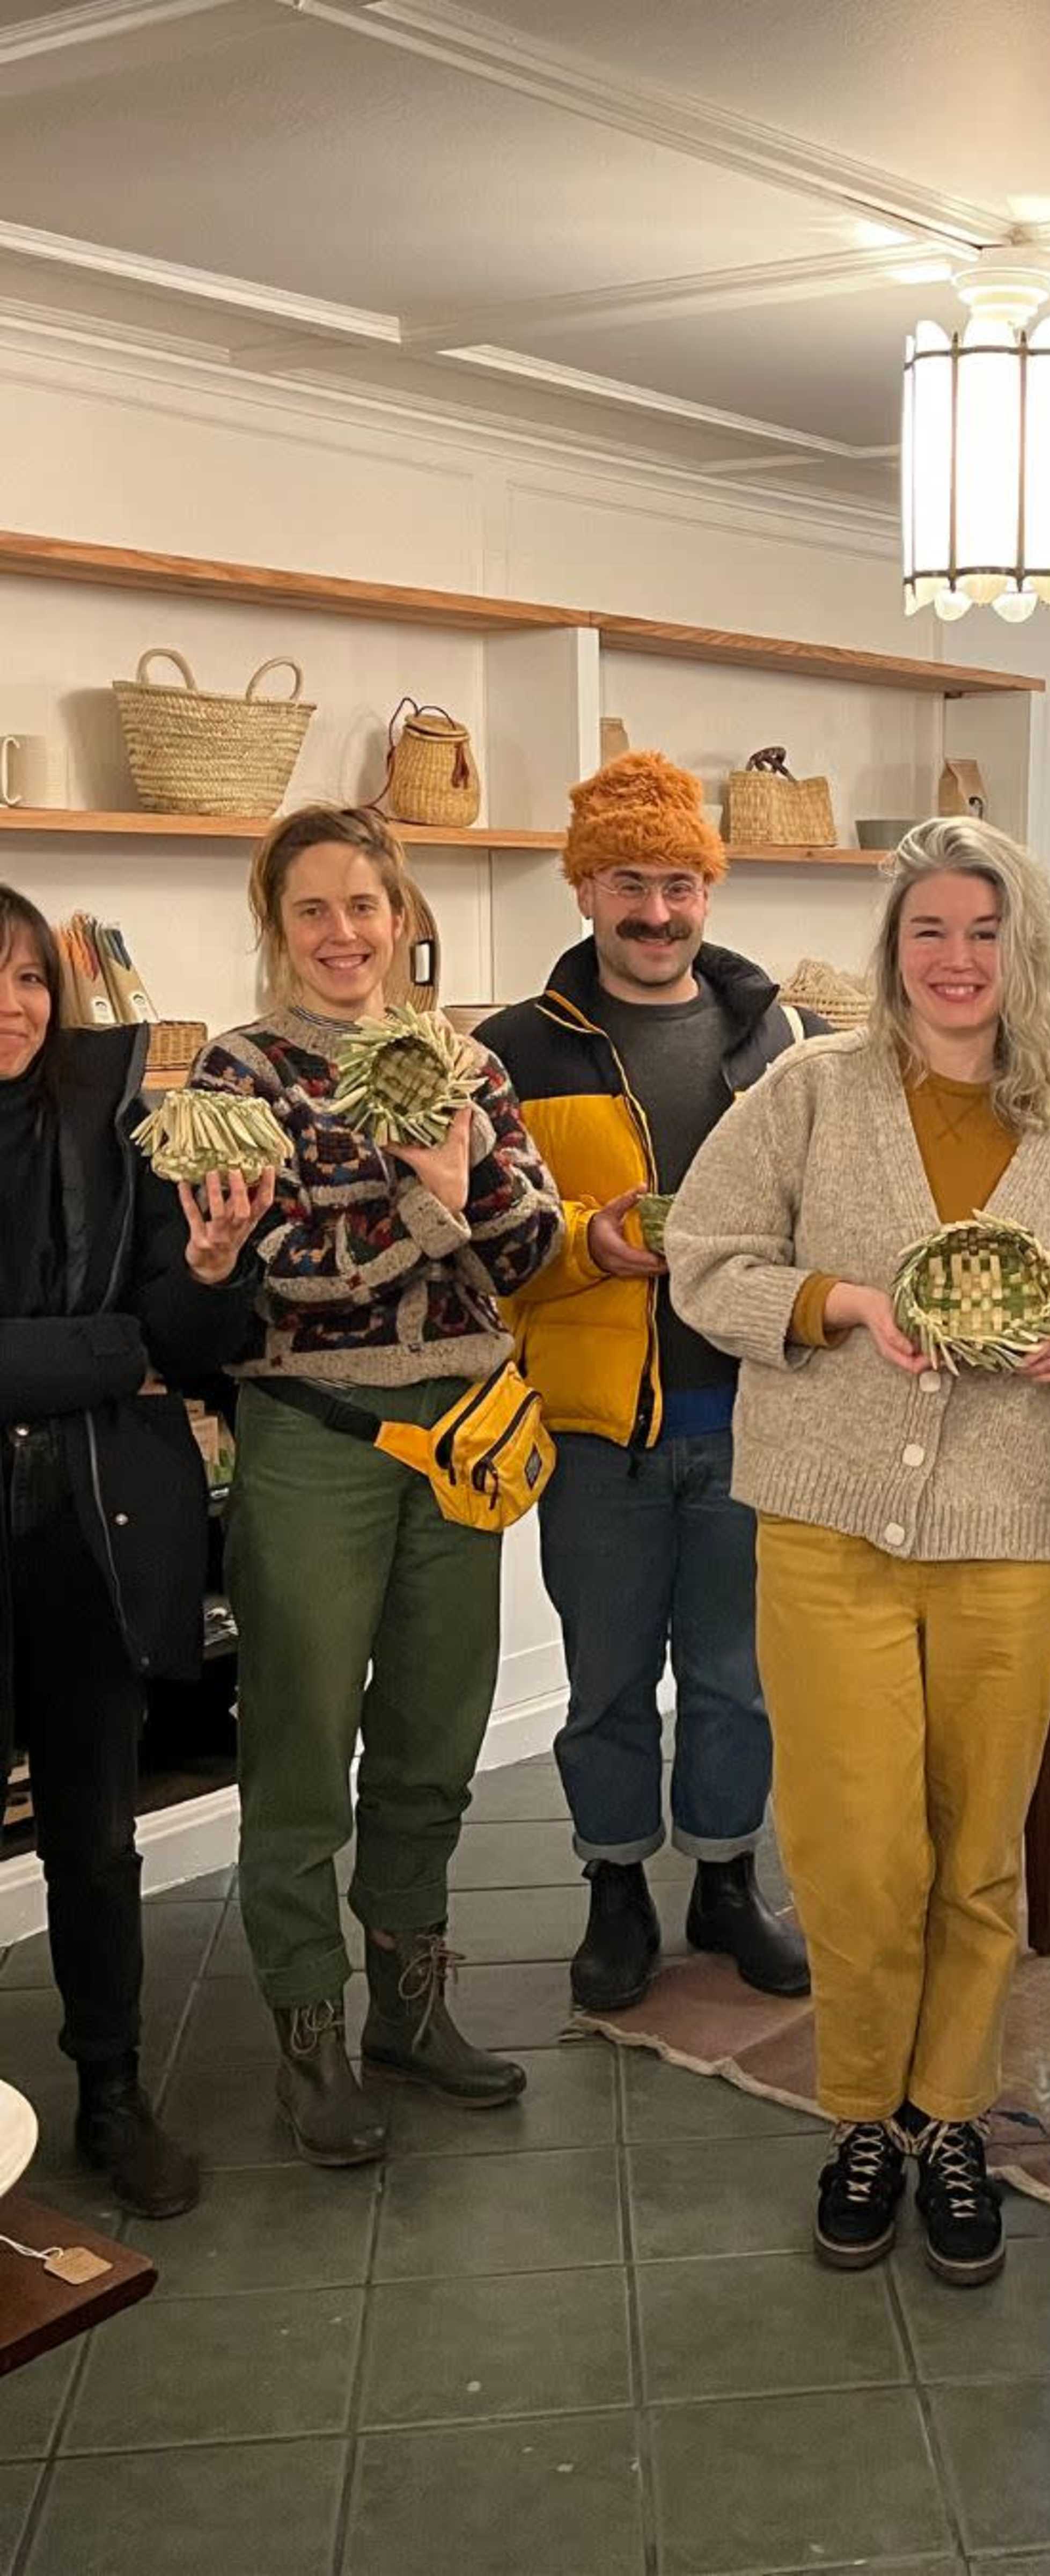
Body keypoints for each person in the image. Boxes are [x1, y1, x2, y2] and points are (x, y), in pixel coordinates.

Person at [668, 816, 1050, 2286]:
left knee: (974, 1852)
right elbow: (706, 1259)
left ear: (1027, 950)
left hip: (1012, 1534)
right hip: (827, 1524)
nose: (957, 960)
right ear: (895, 952)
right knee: (851, 1852)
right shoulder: (808, 1094)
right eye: (929, 933)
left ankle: (950, 2118)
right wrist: (840, 1304)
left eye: (985, 931)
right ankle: (860, 2118)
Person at [188, 806, 562, 2169]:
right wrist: (438, 1203)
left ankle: (411, 2008)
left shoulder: (468, 1058)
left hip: (462, 1434)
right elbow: (285, 1264)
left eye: (366, 906)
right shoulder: (243, 1072)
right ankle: (310, 2037)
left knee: (434, 1733)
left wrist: (451, 1204)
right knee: (298, 1746)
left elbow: (535, 1245)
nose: (346, 936)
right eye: (313, 913)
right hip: (315, 1441)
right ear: (275, 927)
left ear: (404, 915)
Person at [480, 752, 820, 2015]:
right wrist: (587, 1246)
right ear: (584, 889)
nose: (658, 913)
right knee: (608, 1683)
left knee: (738, 1679)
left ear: (708, 892)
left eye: (681, 885)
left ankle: (726, 1883)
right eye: (631, 883)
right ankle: (614, 1889)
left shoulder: (786, 1044)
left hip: (758, 1420)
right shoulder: (509, 1052)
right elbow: (485, 1248)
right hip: (594, 1436)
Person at [0, 888, 267, 2215]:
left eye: (32, 978)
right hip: (66, 1470)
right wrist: (108, 1356)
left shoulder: (120, 1125)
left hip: (85, 1532)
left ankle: (111, 2093)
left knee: (96, 1840)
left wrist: (211, 1269)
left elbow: (194, 1344)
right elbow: (131, 1349)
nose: (14, 1005)